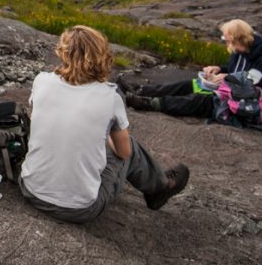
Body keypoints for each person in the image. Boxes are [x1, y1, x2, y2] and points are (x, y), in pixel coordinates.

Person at [19, 25, 190, 223]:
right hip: (79, 210)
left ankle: (156, 184)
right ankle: (160, 188)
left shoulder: (42, 81)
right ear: (101, 55)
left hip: (30, 190)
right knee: (129, 146)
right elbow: (124, 153)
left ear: (63, 52)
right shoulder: (110, 96)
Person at [124, 19, 262, 117]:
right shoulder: (240, 52)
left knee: (200, 101)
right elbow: (234, 71)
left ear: (239, 38)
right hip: (226, 93)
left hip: (243, 106)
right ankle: (140, 90)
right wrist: (219, 69)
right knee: (189, 85)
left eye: (227, 39)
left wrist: (228, 78)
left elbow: (260, 90)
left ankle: (150, 103)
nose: (225, 43)